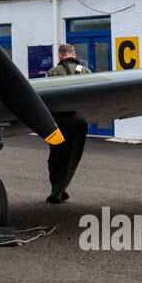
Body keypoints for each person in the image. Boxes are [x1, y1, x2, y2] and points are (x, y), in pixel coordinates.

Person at [45, 44, 89, 203]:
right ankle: (61, 189)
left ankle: (56, 191)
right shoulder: (85, 71)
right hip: (79, 121)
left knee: (56, 157)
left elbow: (47, 99)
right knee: (72, 157)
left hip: (57, 123)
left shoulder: (53, 73)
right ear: (73, 53)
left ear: (60, 56)